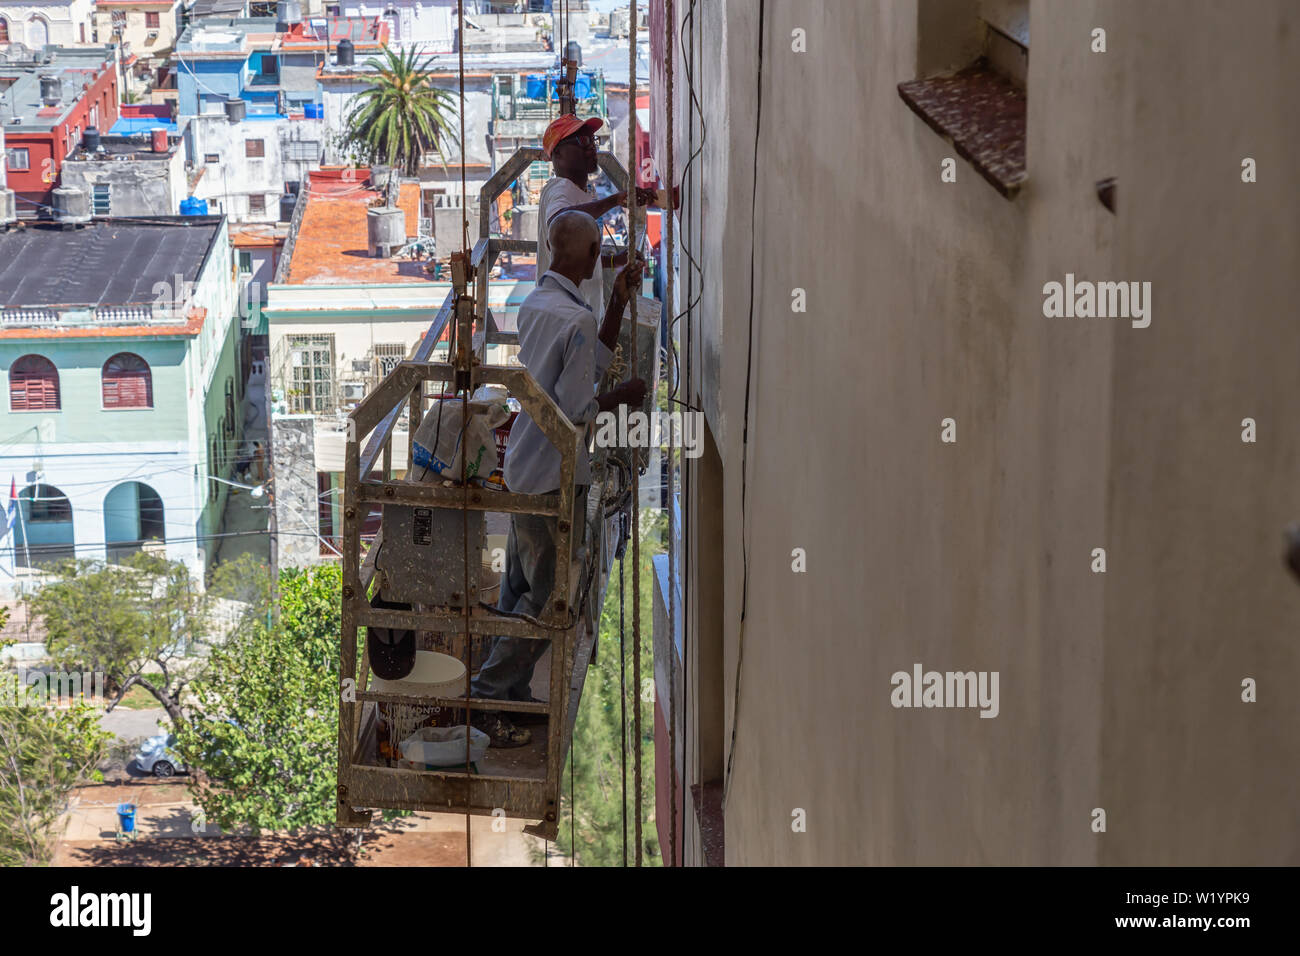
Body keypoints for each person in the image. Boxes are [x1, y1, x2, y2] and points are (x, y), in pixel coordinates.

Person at [471, 209, 647, 748]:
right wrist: (623, 395)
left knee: (520, 586)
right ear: (592, 257)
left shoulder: (536, 305)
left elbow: (577, 366)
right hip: (552, 470)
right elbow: (577, 404)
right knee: (549, 599)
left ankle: (511, 687)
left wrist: (616, 301)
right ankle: (491, 693)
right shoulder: (574, 320)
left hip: (523, 463)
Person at [537, 114, 660, 316]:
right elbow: (560, 221)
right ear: (558, 155)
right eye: (582, 141)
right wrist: (614, 200)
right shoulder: (560, 189)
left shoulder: (582, 192)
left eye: (592, 140)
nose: (591, 147)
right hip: (566, 316)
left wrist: (615, 261)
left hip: (580, 313)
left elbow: (575, 257)